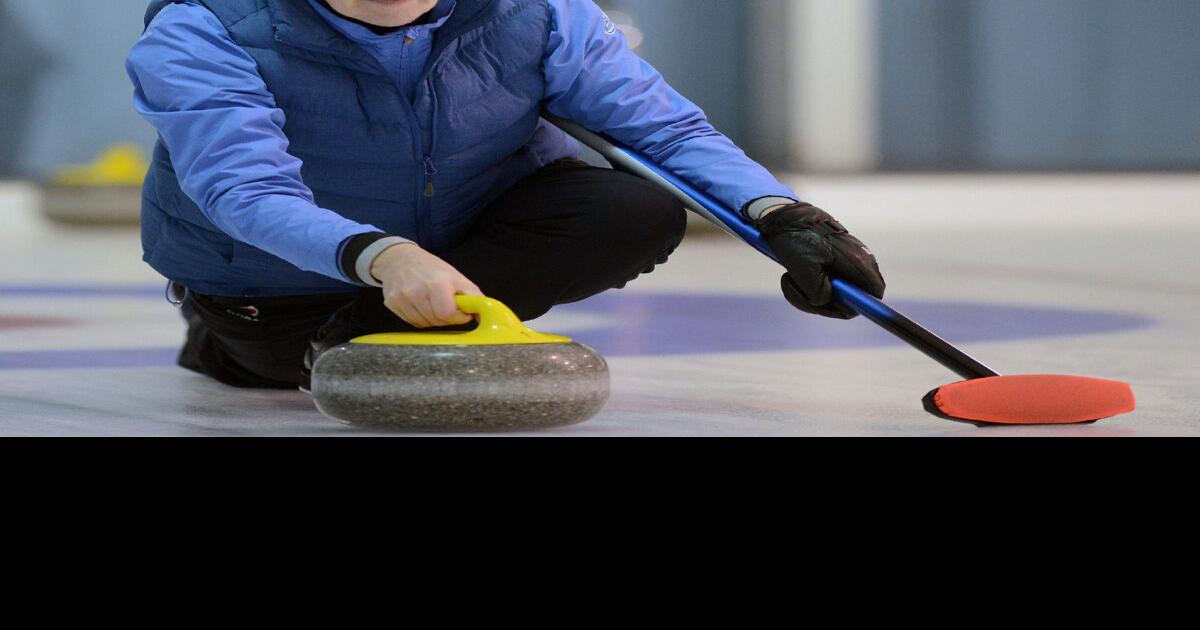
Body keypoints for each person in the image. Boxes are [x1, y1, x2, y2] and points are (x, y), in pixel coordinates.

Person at [126, 0, 886, 390]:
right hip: (282, 284)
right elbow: (240, 189)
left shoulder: (539, 12)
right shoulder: (205, 27)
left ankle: (371, 330)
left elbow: (667, 134)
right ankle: (240, 345)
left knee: (637, 208)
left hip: (456, 248)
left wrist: (783, 217)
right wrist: (383, 258)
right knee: (274, 363)